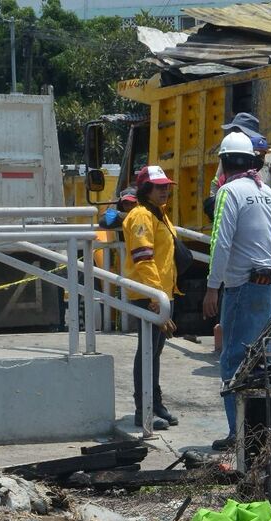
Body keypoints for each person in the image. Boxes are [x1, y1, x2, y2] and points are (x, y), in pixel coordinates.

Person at [204, 131, 271, 451]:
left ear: (224, 163)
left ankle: (239, 434)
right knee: (261, 364)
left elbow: (220, 243)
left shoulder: (228, 192)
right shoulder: (267, 193)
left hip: (243, 288)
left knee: (234, 363)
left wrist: (212, 287)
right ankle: (263, 433)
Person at [207, 112, 271, 329]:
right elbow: (216, 187)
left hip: (264, 220)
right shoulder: (233, 153)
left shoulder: (270, 155)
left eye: (238, 129)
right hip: (240, 220)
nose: (234, 133)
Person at [123, 165, 183, 431]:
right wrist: (156, 297)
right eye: (158, 187)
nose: (164, 191)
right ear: (145, 189)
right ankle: (143, 409)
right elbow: (143, 259)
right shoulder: (141, 215)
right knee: (147, 351)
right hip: (149, 294)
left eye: (166, 186)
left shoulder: (158, 213)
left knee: (155, 351)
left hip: (162, 293)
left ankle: (155, 404)